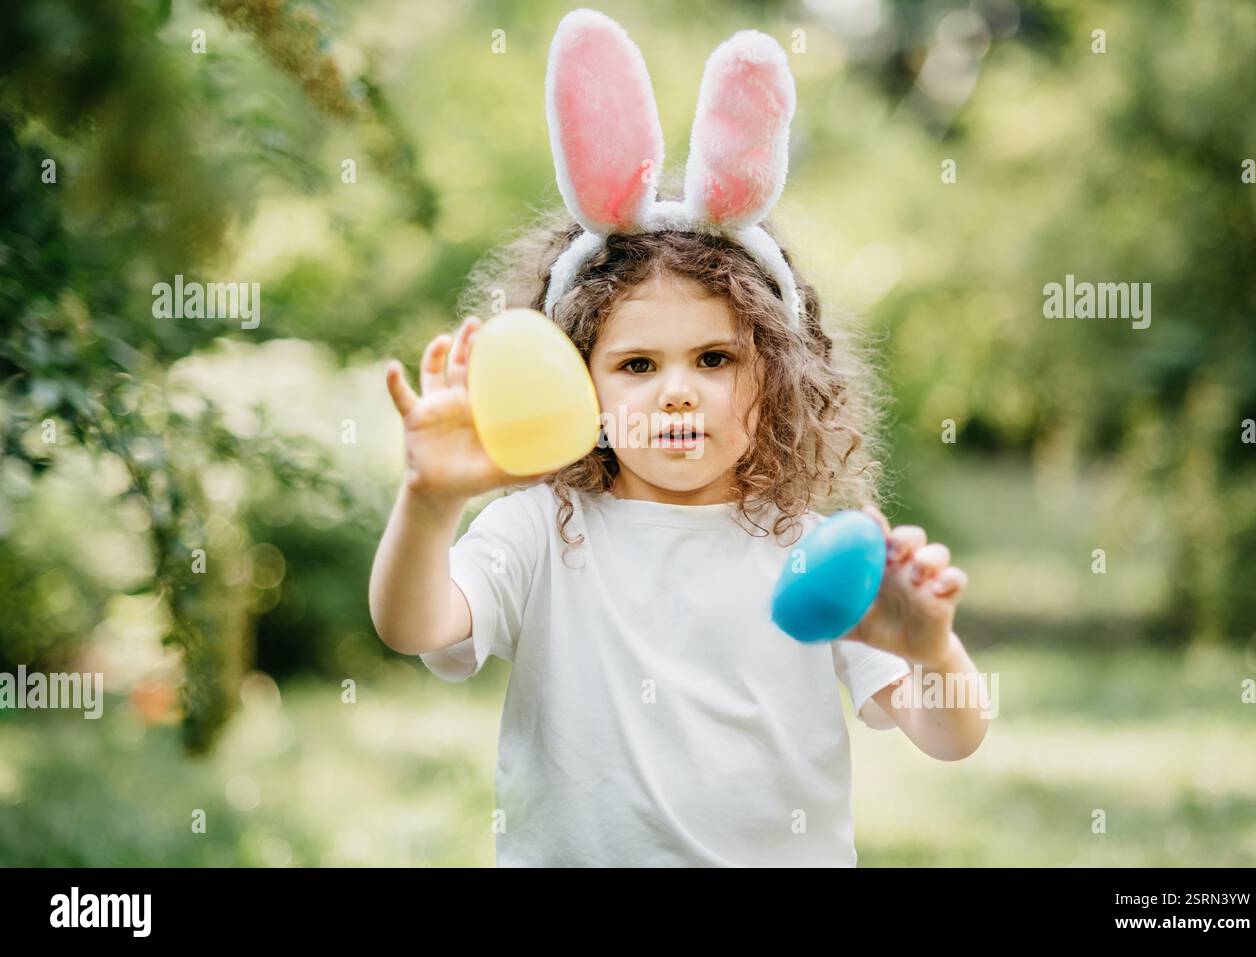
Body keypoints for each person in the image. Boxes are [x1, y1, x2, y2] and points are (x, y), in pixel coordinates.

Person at [369, 8, 988, 866]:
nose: (676, 392)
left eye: (713, 357)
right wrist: (430, 506)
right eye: (635, 365)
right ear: (574, 381)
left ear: (776, 373)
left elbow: (952, 734)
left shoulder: (812, 552)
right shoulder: (544, 530)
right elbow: (415, 625)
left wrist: (931, 647)